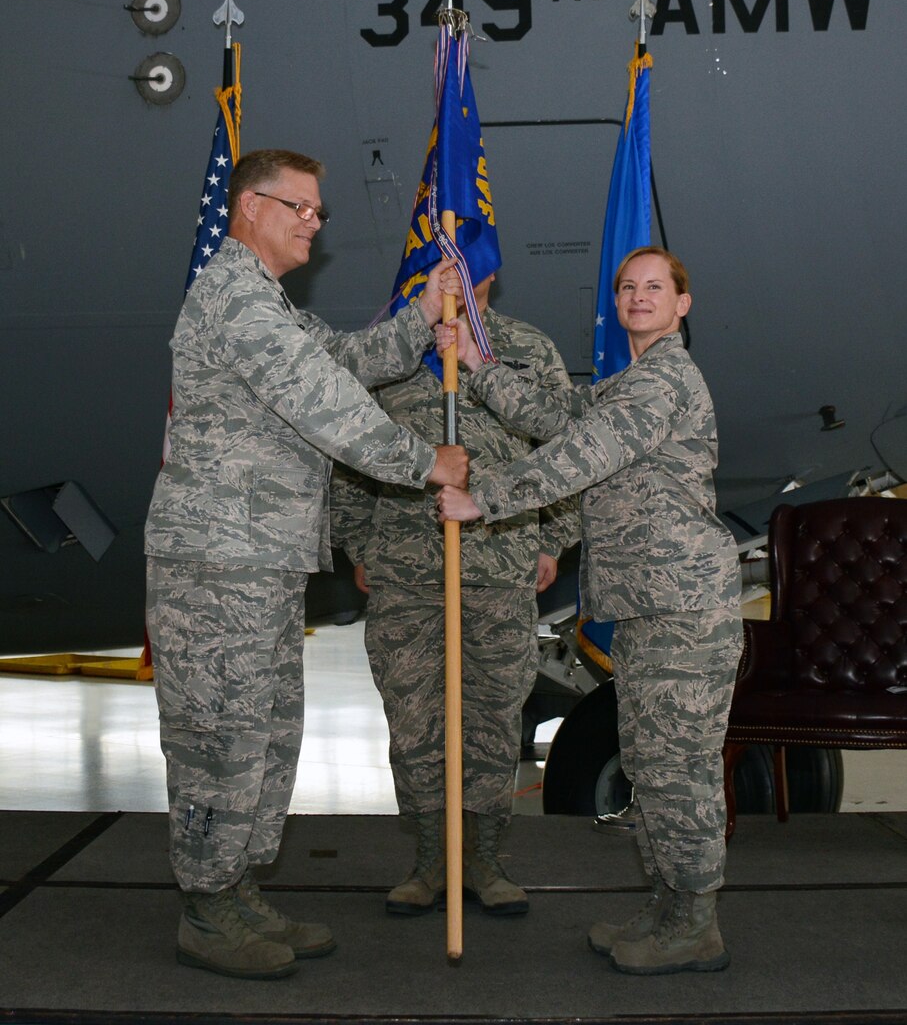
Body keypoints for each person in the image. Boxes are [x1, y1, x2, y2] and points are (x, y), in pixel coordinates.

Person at [144, 149, 468, 980]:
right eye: (300, 207)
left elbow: (340, 365)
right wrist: (422, 461)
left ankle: (241, 887)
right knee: (220, 735)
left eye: (319, 212)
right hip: (217, 559)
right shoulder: (231, 299)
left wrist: (414, 323)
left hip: (259, 559)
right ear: (248, 207)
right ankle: (208, 908)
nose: (313, 224)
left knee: (265, 734)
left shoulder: (270, 304)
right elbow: (320, 403)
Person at [436, 247, 742, 975]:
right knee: (650, 763)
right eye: (628, 288)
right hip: (650, 607)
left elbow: (583, 451)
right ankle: (669, 907)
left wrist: (487, 499)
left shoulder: (663, 382)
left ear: (681, 305)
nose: (640, 298)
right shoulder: (630, 383)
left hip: (680, 607)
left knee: (678, 770)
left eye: (655, 288)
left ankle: (694, 923)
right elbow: (560, 414)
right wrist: (480, 369)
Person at [331, 273, 578, 916]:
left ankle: (485, 860)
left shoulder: (527, 349)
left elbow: (570, 448)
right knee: (414, 721)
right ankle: (429, 862)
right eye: (443, 259)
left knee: (494, 719)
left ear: (492, 270)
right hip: (406, 570)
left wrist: (554, 539)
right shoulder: (392, 350)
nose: (457, 271)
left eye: (471, 258)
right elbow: (349, 455)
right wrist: (358, 544)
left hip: (501, 566)